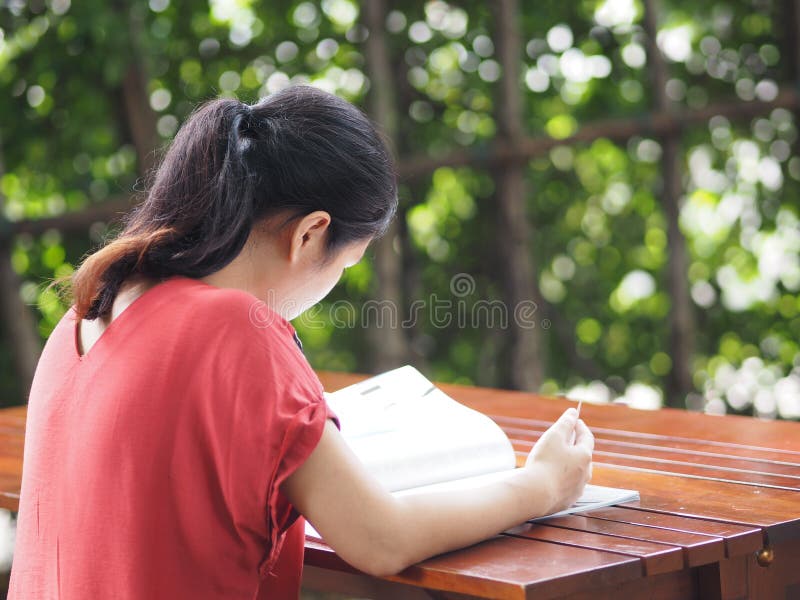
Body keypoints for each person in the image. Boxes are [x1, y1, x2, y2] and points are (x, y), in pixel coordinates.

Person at [9, 85, 594, 599]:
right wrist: (541, 484)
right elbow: (379, 539)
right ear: (312, 234)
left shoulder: (84, 315)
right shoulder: (236, 330)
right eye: (347, 262)